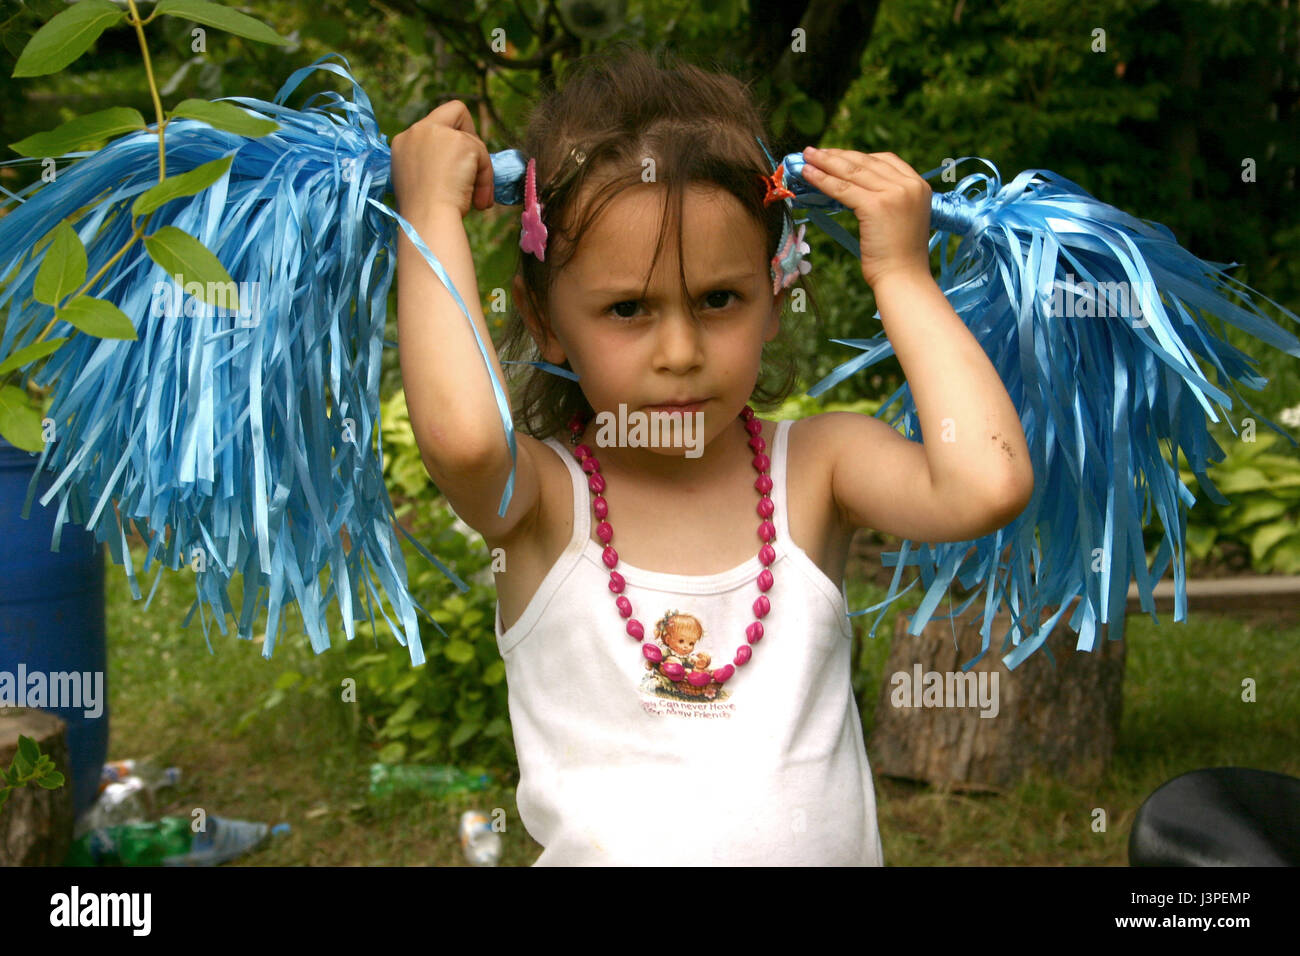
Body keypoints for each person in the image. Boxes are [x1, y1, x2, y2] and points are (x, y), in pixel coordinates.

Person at [390, 43, 1034, 865]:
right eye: (628, 309)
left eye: (719, 299)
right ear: (546, 319)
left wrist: (902, 272)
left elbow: (988, 480)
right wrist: (429, 213)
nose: (682, 350)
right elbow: (464, 437)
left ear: (774, 293)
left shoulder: (819, 470)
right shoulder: (543, 502)